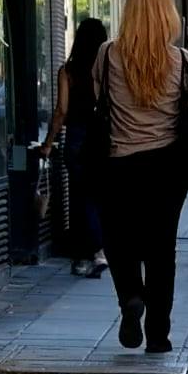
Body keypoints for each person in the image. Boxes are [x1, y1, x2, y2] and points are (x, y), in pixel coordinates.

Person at [92, 0, 188, 354]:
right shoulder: (181, 59)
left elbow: (99, 99)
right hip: (167, 167)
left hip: (118, 164)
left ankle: (130, 298)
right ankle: (158, 334)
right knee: (161, 250)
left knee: (119, 242)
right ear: (168, 13)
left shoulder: (107, 54)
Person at [36, 18, 109, 278]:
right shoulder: (109, 69)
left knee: (80, 197)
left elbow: (61, 111)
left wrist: (48, 143)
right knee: (98, 196)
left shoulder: (68, 71)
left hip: (77, 138)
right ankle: (97, 252)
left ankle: (88, 255)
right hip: (104, 137)